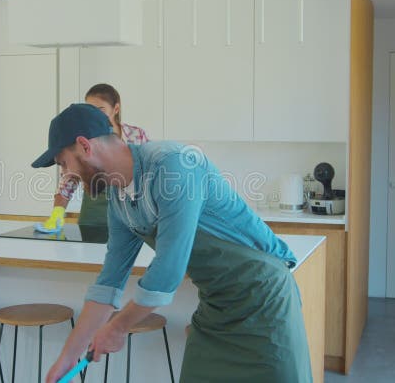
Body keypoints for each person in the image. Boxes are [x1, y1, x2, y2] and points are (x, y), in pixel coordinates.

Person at [32, 104, 312, 383]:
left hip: (264, 300)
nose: (67, 174)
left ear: (84, 146)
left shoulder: (174, 164)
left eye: (63, 163)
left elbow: (168, 270)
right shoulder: (119, 202)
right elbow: (109, 283)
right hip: (217, 307)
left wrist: (117, 327)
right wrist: (67, 357)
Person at [35, 83, 149, 231]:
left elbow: (147, 173)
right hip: (94, 212)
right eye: (89, 109)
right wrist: (57, 212)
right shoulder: (80, 141)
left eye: (100, 109)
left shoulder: (136, 135)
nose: (93, 114)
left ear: (116, 109)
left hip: (130, 211)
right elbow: (69, 177)